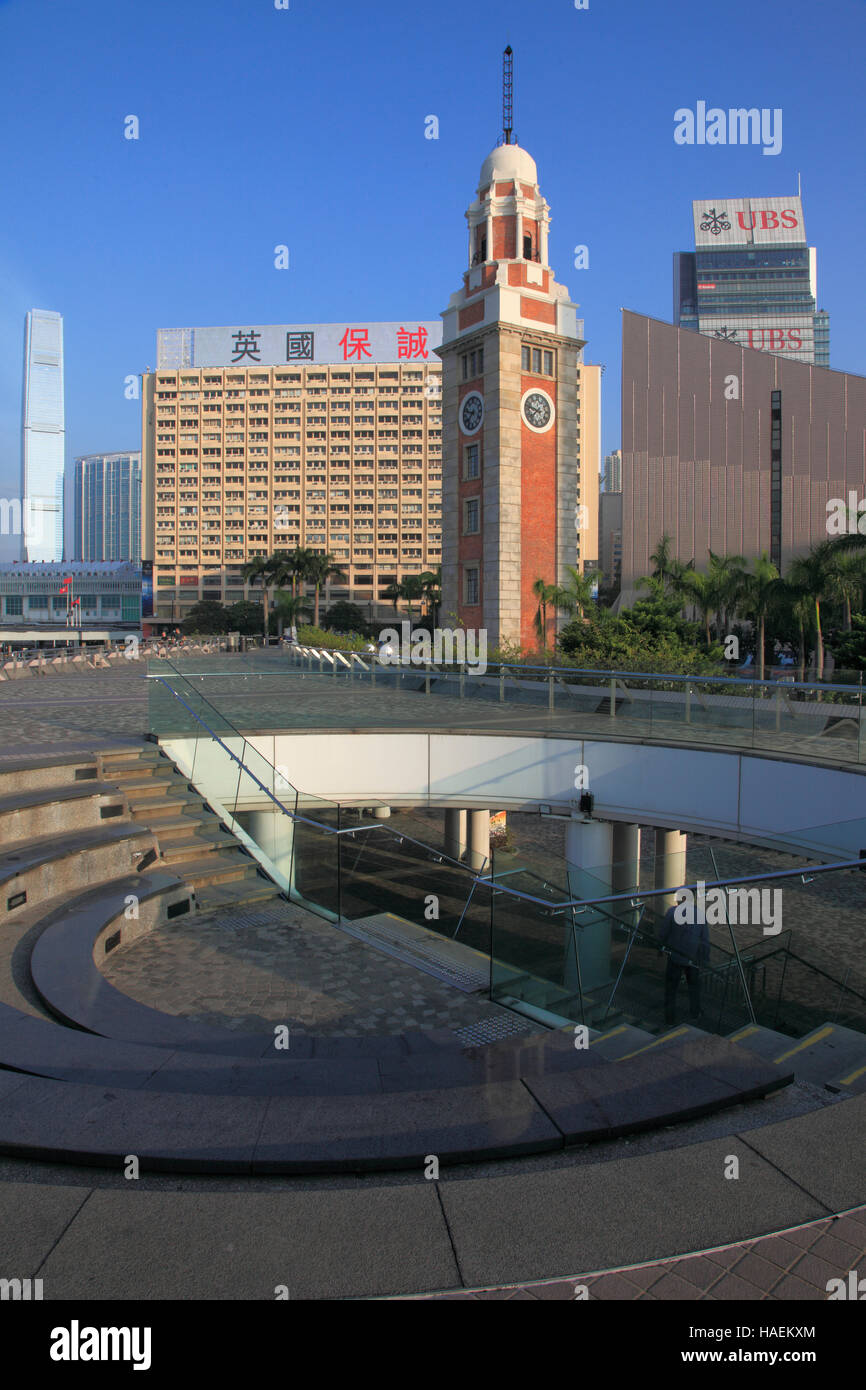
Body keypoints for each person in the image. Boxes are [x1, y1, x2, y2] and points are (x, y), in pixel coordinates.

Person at [657, 902, 709, 1026]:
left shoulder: (672, 912)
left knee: (671, 989)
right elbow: (705, 939)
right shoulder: (700, 914)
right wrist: (705, 958)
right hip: (692, 958)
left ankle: (669, 1019)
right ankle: (695, 1013)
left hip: (675, 956)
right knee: (694, 987)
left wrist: (660, 947)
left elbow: (664, 932)